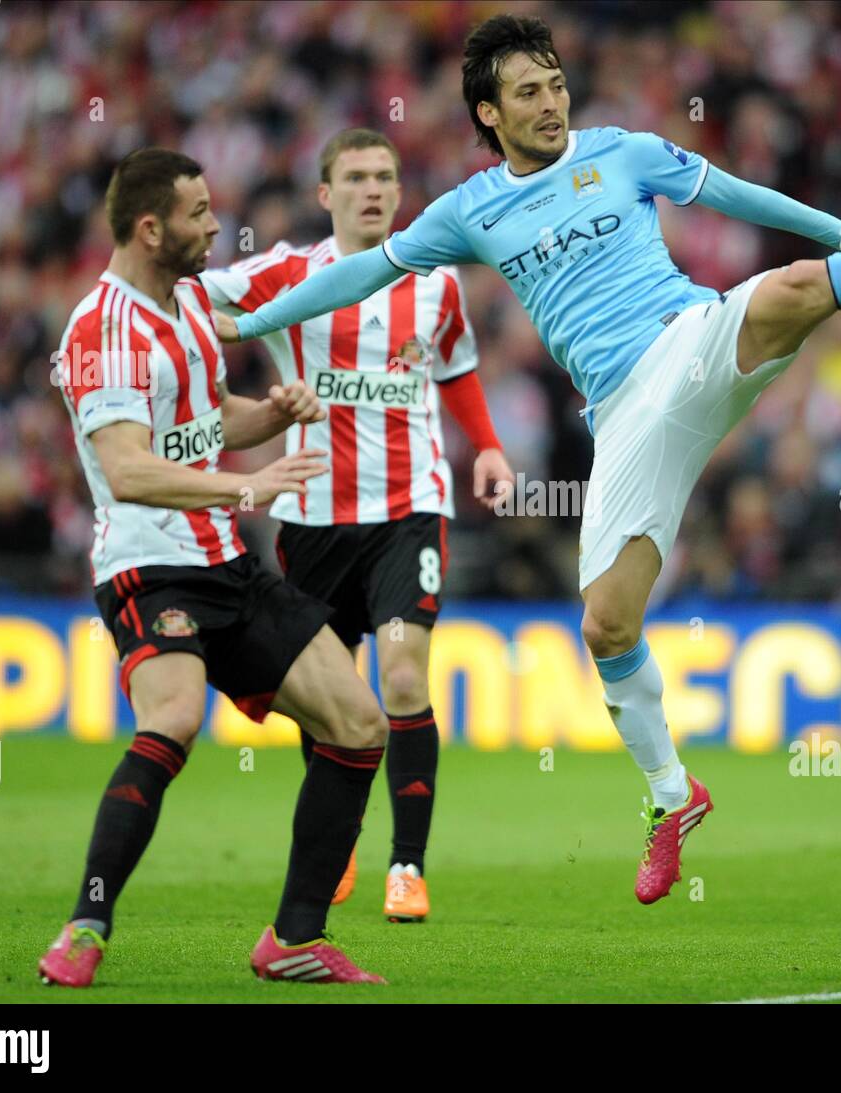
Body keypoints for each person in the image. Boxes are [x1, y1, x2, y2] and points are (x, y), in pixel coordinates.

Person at [212, 14, 841, 905]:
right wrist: (257, 320)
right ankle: (671, 796)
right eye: (527, 92)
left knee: (799, 285)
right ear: (489, 113)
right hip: (626, 417)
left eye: (557, 83)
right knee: (607, 625)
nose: (550, 103)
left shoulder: (624, 151)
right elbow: (364, 272)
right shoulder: (469, 209)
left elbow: (736, 196)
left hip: (689, 337)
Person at [39, 148, 389, 987]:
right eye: (199, 213)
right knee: (174, 718)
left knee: (358, 724)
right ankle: (86, 925)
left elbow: (206, 420)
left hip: (228, 564)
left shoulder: (192, 300)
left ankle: (293, 939)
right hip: (149, 565)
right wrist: (248, 486)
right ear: (151, 226)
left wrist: (270, 415)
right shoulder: (101, 329)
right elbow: (126, 466)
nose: (213, 226)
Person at [200, 128, 512, 923]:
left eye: (386, 177)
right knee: (330, 696)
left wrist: (491, 449)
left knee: (403, 676)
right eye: (357, 178)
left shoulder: (437, 282)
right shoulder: (285, 272)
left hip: (410, 509)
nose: (374, 190)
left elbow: (456, 368)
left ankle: (406, 867)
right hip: (310, 517)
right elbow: (196, 297)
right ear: (325, 194)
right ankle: (335, 848)